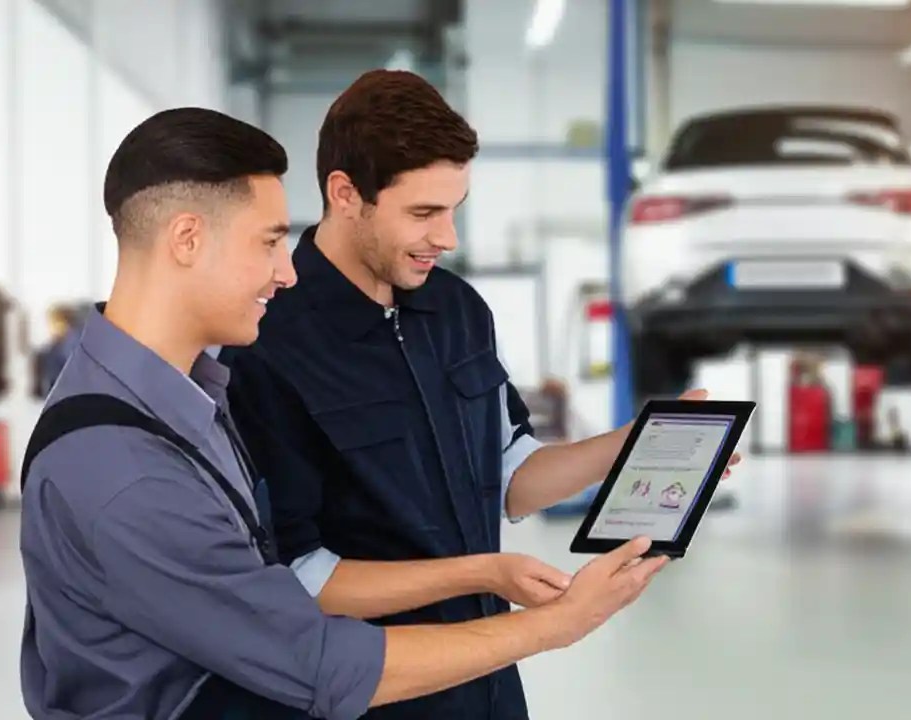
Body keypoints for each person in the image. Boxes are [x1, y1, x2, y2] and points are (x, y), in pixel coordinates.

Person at [19, 107, 668, 720]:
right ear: (187, 238)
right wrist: (556, 622)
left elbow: (502, 470)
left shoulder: (188, 399)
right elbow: (315, 656)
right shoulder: (129, 471)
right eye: (269, 242)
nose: (285, 272)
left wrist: (633, 447)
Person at [219, 70, 738, 719]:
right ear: (346, 194)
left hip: (489, 686)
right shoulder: (268, 343)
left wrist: (640, 442)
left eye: (454, 209)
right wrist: (483, 572)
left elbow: (512, 475)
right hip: (378, 696)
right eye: (423, 213)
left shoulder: (458, 310)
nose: (448, 238)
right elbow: (299, 577)